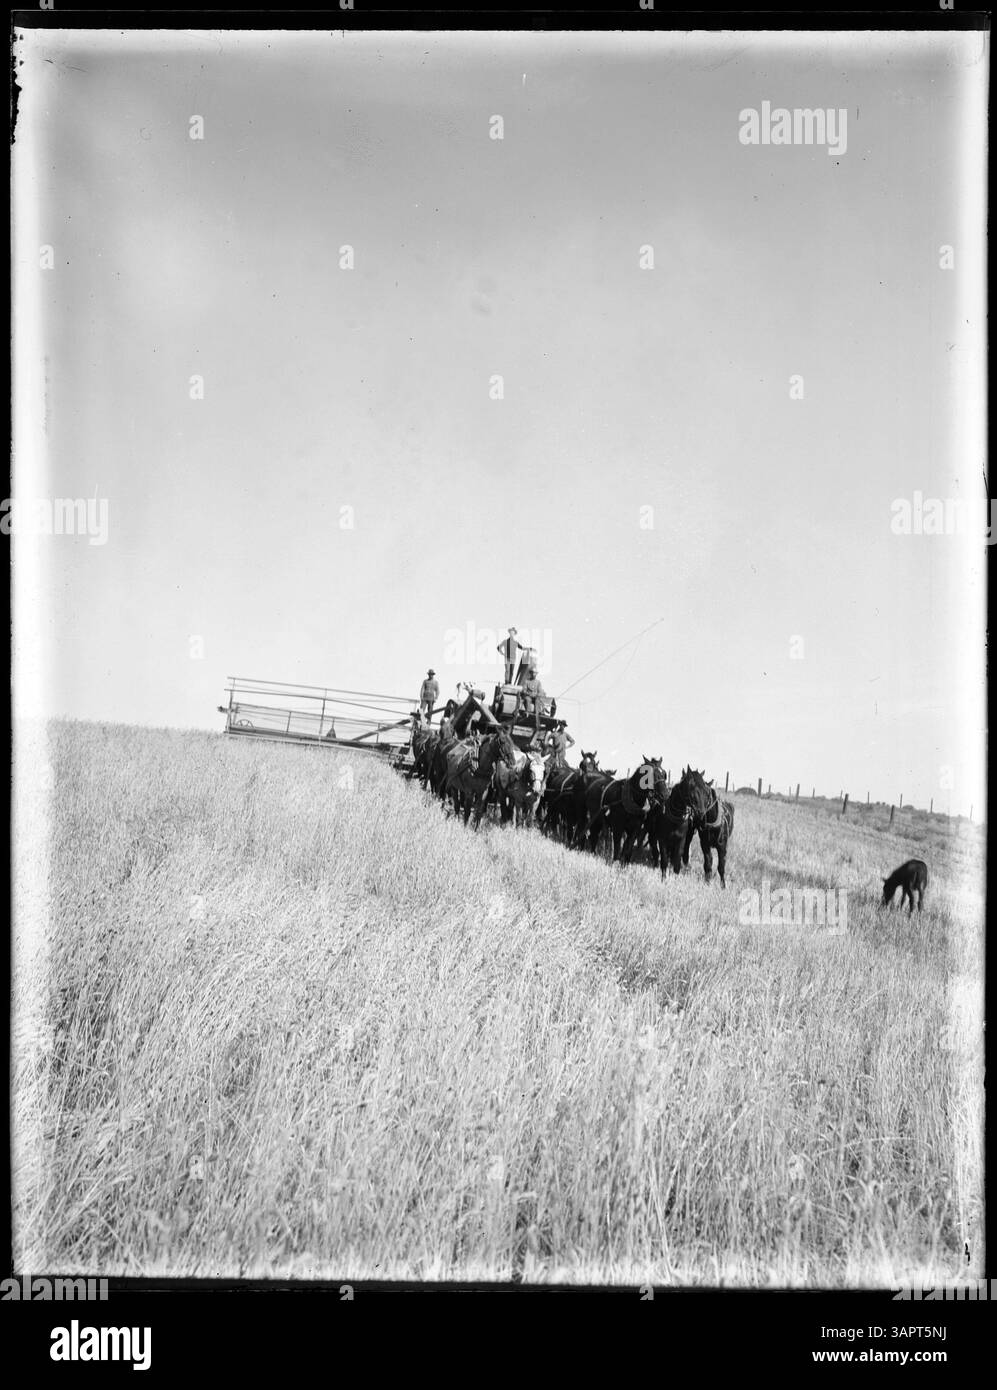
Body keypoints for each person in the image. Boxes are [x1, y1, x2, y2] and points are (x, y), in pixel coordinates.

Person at [519, 666, 546, 740]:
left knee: (538, 701)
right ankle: (528, 712)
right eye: (532, 673)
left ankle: (537, 713)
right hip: (528, 696)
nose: (533, 674)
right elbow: (524, 690)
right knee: (527, 700)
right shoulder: (527, 681)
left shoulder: (538, 682)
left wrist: (537, 694)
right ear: (530, 674)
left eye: (534, 673)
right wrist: (528, 693)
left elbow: (540, 691)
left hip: (535, 696)